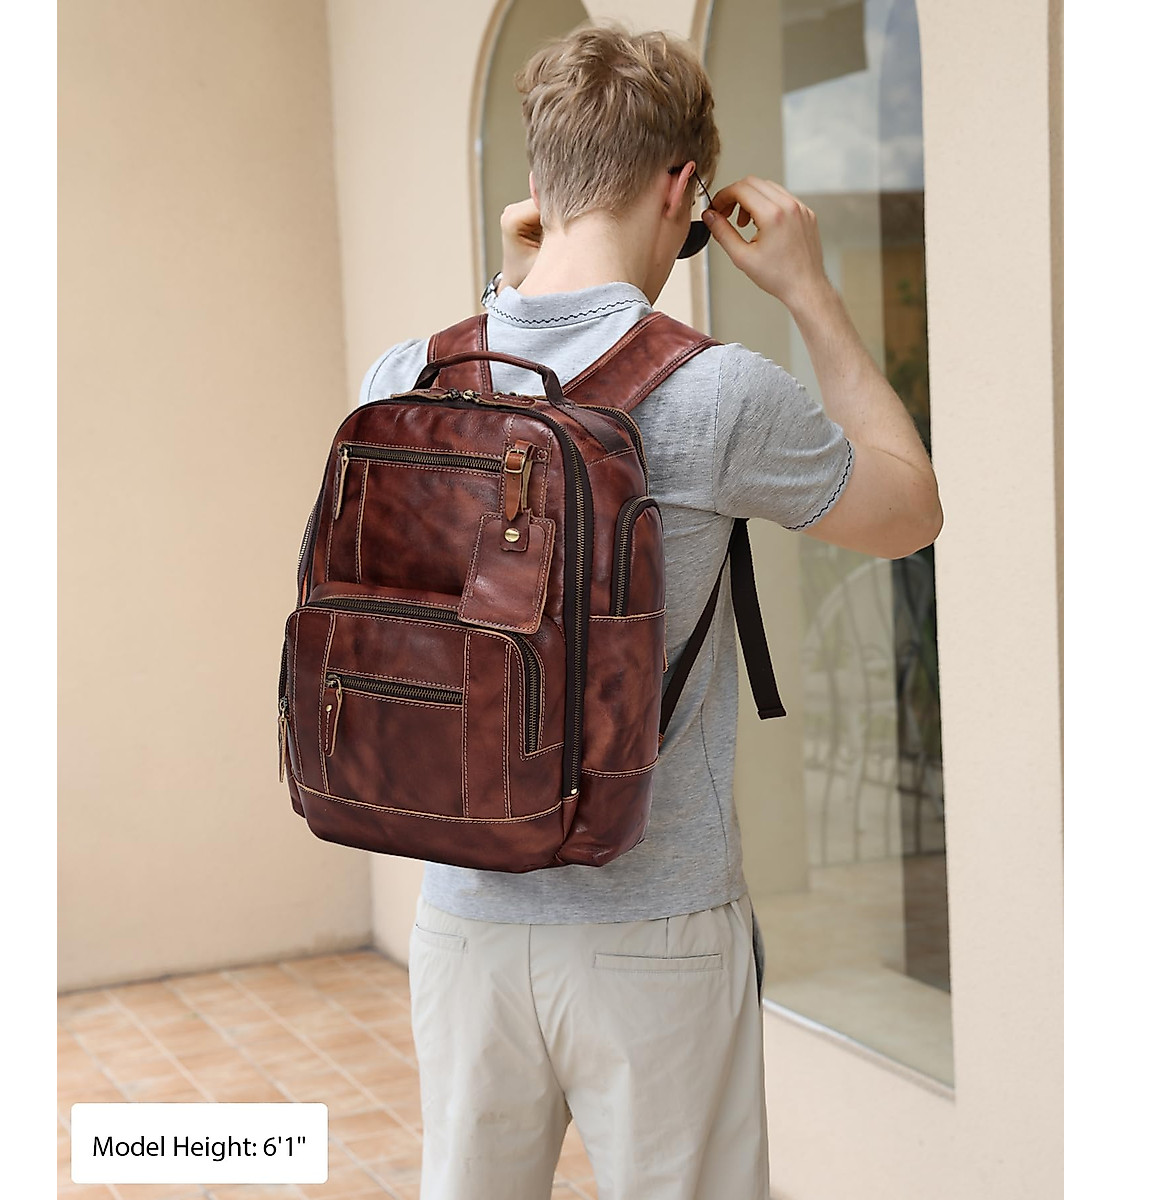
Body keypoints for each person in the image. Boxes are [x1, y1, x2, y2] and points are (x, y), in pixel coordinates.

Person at [355, 22, 943, 1200]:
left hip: (462, 915)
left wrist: (509, 287)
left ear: (540, 183)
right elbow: (910, 511)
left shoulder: (406, 376)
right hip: (656, 929)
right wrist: (811, 291)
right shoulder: (717, 392)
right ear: (683, 189)